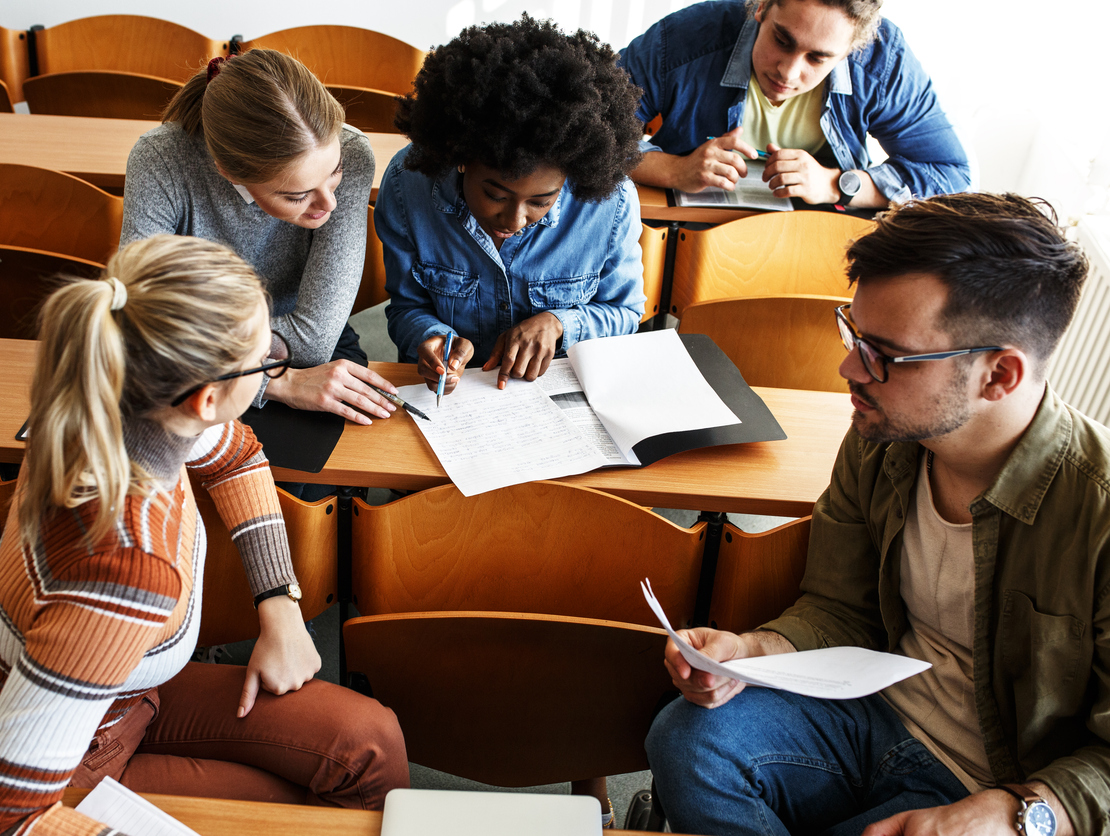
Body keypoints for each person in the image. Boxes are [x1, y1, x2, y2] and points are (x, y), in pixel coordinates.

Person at [645, 193, 1109, 836]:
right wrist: (749, 651)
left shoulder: (1099, 512)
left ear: (999, 375)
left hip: (1004, 782)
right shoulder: (881, 438)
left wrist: (1014, 813)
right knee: (688, 738)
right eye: (853, 333)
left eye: (884, 355)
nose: (846, 368)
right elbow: (839, 606)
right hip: (873, 713)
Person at [0, 235, 409, 836]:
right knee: (311, 815)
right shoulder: (122, 573)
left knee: (370, 743)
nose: (277, 365)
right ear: (208, 397)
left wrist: (281, 605)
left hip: (124, 700)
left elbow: (237, 453)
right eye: (268, 360)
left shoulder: (117, 404)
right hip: (65, 769)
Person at [122, 49, 399, 427]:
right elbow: (135, 325)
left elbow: (315, 339)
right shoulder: (160, 159)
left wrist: (191, 344)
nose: (329, 203)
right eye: (296, 195)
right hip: (191, 373)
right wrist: (278, 383)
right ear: (228, 172)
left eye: (334, 174)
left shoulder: (351, 151)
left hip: (273, 354)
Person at [376, 15, 648, 396]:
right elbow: (406, 307)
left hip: (557, 393)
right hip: (450, 400)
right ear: (461, 158)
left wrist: (559, 324)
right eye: (495, 195)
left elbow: (626, 313)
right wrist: (432, 337)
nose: (514, 219)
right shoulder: (409, 185)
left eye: (541, 201)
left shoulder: (609, 201)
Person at [618, 0, 970, 208]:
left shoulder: (883, 59)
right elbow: (584, 130)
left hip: (816, 233)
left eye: (818, 58)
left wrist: (836, 184)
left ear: (852, 49)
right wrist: (674, 170)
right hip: (690, 230)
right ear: (761, 7)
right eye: (782, 39)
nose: (788, 71)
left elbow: (948, 173)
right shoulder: (685, 37)